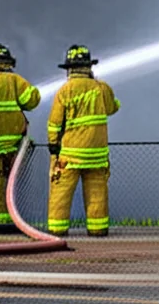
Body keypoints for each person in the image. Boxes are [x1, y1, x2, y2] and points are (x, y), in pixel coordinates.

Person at [46, 44, 120, 237]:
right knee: (97, 193)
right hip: (97, 155)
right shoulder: (101, 88)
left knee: (61, 193)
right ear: (89, 67)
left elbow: (54, 123)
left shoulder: (64, 90)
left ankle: (57, 230)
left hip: (70, 155)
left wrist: (53, 147)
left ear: (69, 69)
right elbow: (112, 108)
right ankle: (97, 229)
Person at [0, 43, 41, 234]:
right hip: (13, 146)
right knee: (12, 185)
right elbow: (33, 100)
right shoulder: (15, 81)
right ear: (7, 62)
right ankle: (14, 220)